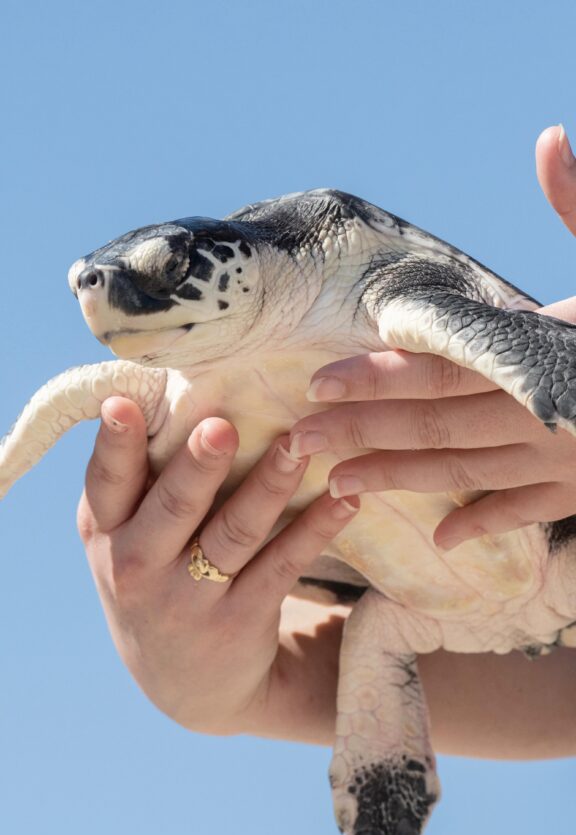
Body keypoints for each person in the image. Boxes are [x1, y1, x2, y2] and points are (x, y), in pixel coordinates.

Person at [77, 125, 576, 759]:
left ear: (244, 258)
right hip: (429, 598)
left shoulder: (368, 277)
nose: (102, 301)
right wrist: (232, 692)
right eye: (84, 289)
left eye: (168, 269)